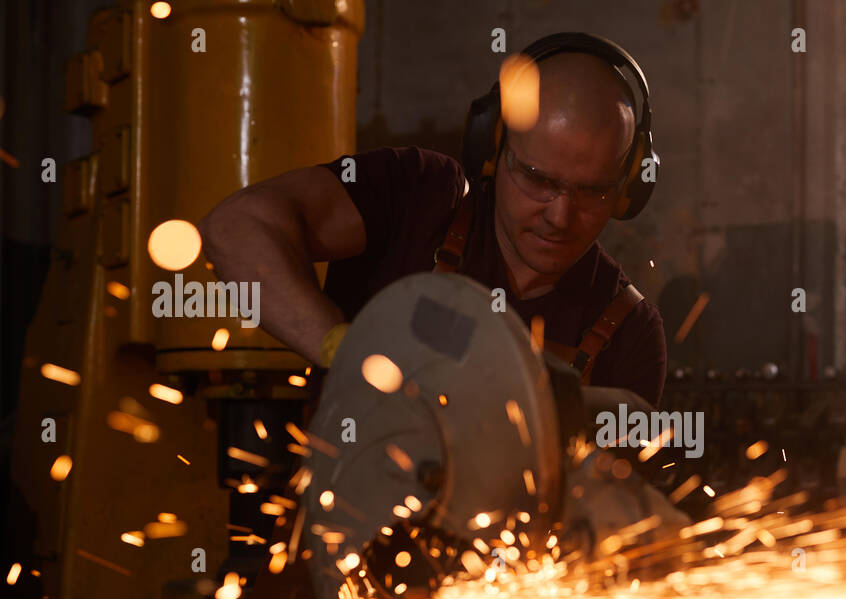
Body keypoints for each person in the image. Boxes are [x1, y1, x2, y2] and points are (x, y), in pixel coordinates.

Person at [199, 40, 667, 408]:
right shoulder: (420, 196)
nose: (560, 215)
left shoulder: (628, 328)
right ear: (492, 148)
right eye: (537, 179)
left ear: (629, 188)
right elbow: (235, 229)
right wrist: (348, 351)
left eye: (594, 190)